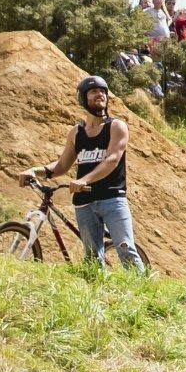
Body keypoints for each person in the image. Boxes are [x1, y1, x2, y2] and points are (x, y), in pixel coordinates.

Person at [35, 74, 148, 273]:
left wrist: (84, 180)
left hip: (113, 199)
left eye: (103, 91)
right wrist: (35, 172)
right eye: (94, 91)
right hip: (84, 204)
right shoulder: (76, 133)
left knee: (126, 249)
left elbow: (112, 160)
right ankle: (100, 297)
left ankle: (145, 296)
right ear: (83, 99)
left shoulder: (116, 127)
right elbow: (62, 165)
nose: (100, 94)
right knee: (92, 258)